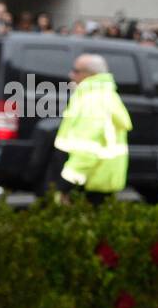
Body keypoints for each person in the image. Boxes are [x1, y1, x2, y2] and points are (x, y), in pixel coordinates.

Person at [51, 53, 132, 205]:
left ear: (90, 74)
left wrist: (65, 185)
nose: (71, 75)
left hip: (89, 180)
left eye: (76, 70)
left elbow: (87, 148)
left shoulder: (92, 100)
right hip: (101, 177)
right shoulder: (104, 94)